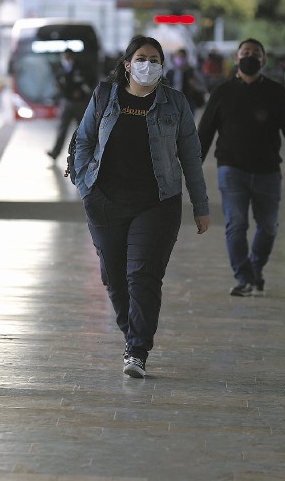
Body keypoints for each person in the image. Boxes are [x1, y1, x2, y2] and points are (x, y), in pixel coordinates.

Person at [73, 35, 210, 379]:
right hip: (105, 201)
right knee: (114, 278)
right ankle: (132, 334)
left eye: (154, 59)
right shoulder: (105, 95)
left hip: (157, 203)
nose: (147, 65)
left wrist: (200, 204)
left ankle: (137, 350)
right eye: (141, 58)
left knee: (142, 276)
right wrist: (84, 186)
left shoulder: (175, 104)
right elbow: (85, 139)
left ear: (162, 66)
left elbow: (191, 157)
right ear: (127, 64)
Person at [197, 38, 285, 297]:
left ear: (263, 60)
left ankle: (254, 269)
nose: (250, 56)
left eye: (256, 53)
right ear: (237, 58)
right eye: (245, 52)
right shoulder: (222, 92)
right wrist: (194, 162)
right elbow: (205, 130)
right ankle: (244, 277)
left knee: (269, 227)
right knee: (236, 224)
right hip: (231, 169)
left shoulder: (275, 91)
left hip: (268, 170)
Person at [47, 48, 96, 160]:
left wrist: (82, 92)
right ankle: (55, 152)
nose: (66, 59)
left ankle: (85, 153)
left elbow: (90, 82)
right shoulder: (61, 69)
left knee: (82, 129)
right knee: (62, 128)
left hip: (80, 103)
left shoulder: (81, 68)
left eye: (68, 57)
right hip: (66, 102)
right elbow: (58, 83)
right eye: (64, 57)